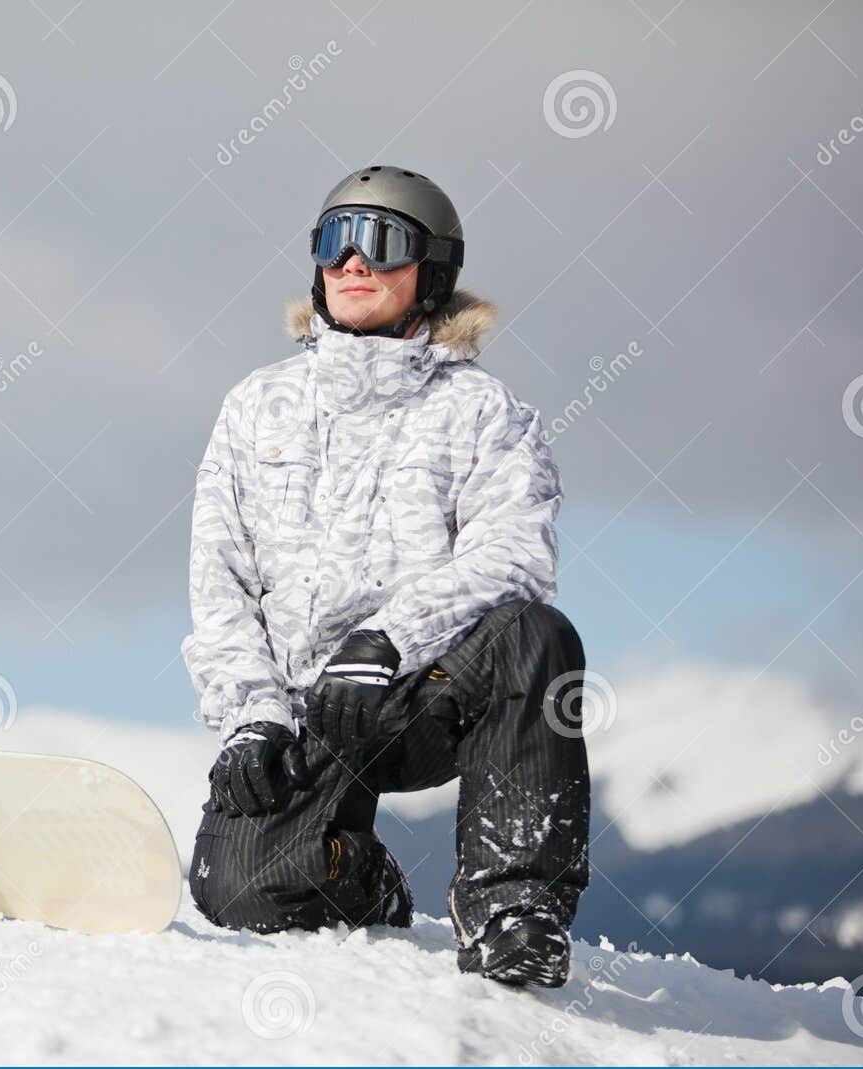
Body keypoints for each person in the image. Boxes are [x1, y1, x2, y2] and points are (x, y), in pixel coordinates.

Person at [180, 165, 591, 988]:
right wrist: (253, 715)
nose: (355, 262)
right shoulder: (255, 407)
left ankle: (513, 913)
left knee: (534, 638)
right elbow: (219, 581)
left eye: (383, 241)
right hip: (304, 706)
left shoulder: (485, 413)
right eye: (337, 241)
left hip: (422, 693)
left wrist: (390, 639)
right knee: (236, 890)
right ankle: (360, 876)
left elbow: (515, 557)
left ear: (431, 272)